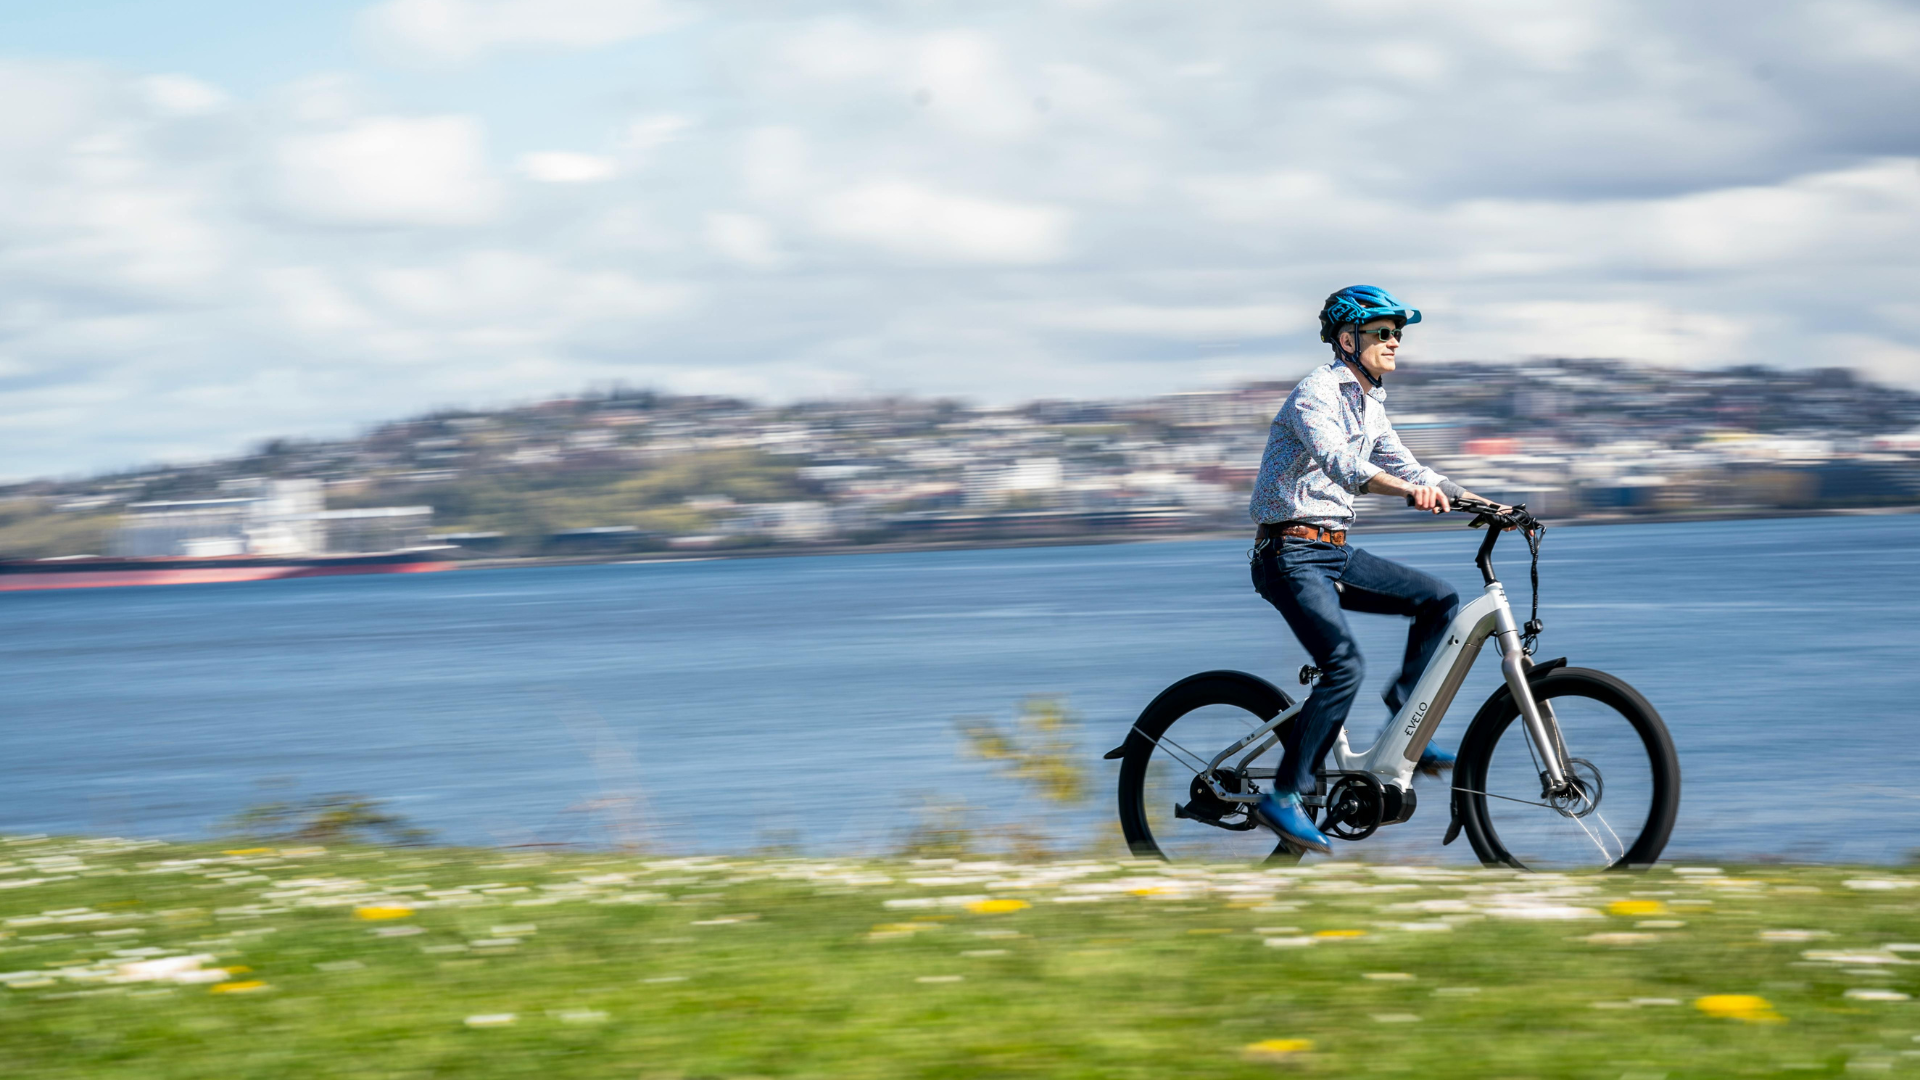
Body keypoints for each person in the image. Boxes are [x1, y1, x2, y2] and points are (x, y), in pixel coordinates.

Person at [1245, 285, 1505, 855]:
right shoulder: (1315, 393)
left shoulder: (1370, 404)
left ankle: (1404, 714)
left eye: (1398, 334)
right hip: (1289, 552)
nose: (1395, 342)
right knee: (1344, 666)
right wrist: (1408, 493)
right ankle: (1284, 796)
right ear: (1348, 340)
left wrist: (1491, 506)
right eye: (1383, 332)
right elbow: (1343, 465)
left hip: (1332, 550)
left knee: (1439, 600)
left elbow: (1412, 468)